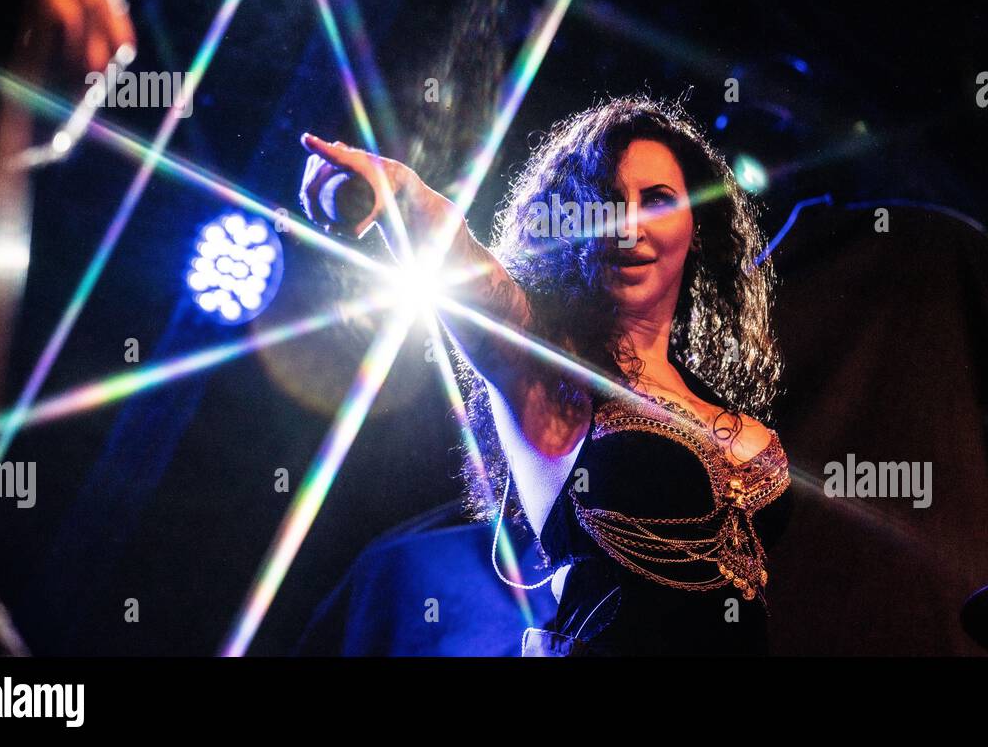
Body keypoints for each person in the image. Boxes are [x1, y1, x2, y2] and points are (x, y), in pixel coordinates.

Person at [298, 94, 793, 655]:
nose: (629, 225)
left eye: (656, 200)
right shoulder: (547, 372)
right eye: (606, 204)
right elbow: (472, 277)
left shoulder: (712, 403)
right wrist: (398, 193)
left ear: (696, 227)